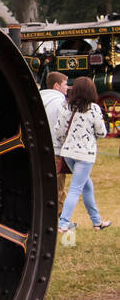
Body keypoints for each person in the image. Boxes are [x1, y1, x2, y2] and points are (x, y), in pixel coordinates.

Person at [54, 78, 111, 233]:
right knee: (76, 189)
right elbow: (101, 132)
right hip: (85, 155)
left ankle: (97, 221)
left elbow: (58, 131)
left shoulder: (66, 107)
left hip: (68, 153)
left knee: (87, 187)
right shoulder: (93, 109)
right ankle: (64, 223)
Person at [39, 71, 70, 208]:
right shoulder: (60, 102)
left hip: (41, 148)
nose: (67, 87)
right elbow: (62, 128)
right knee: (58, 187)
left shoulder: (40, 99)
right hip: (56, 149)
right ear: (57, 86)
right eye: (65, 84)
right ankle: (59, 219)